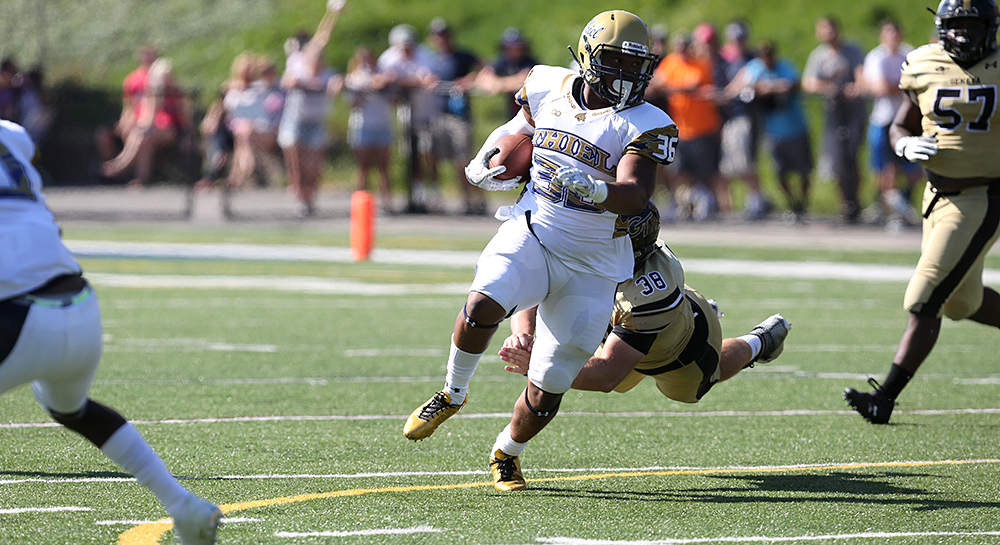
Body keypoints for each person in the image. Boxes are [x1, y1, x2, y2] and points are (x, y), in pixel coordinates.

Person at [402, 10, 677, 492]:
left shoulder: (646, 122)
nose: (627, 75)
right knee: (482, 301)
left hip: (595, 263)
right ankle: (453, 391)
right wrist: (483, 160)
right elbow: (519, 128)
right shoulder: (547, 85)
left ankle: (507, 451)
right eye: (616, 61)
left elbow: (636, 191)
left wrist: (596, 191)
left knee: (548, 384)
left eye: (636, 65)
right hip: (535, 229)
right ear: (589, 56)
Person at [0, 120, 221, 544]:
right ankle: (184, 506)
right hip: (80, 309)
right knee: (70, 408)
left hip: (21, 315)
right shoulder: (11, 132)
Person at [844, 0, 1000, 424]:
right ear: (942, 27)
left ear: (991, 27)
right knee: (961, 303)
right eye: (957, 24)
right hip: (935, 196)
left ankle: (885, 397)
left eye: (974, 24)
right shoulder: (923, 62)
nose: (966, 34)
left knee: (925, 294)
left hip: (982, 196)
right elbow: (902, 122)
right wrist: (903, 144)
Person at [498, 202, 792, 406]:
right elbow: (535, 290)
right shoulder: (583, 248)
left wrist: (538, 363)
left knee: (688, 391)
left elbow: (607, 375)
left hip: (680, 350)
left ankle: (758, 341)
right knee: (620, 379)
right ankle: (684, 314)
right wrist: (524, 335)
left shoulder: (646, 291)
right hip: (623, 330)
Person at [279, 0, 345, 217]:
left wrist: (333, 13)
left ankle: (310, 198)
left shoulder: (328, 73)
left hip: (316, 121)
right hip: (296, 119)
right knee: (296, 164)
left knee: (314, 165)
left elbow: (324, 36)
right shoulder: (296, 63)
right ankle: (301, 199)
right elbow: (288, 81)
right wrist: (308, 84)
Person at [737, 40, 813, 222]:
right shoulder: (755, 68)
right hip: (773, 131)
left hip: (796, 127)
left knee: (804, 170)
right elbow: (746, 86)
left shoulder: (785, 66)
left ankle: (802, 203)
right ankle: (791, 203)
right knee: (780, 172)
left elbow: (793, 83)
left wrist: (772, 87)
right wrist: (767, 88)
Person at [650, 31, 722, 221]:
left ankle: (708, 202)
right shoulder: (671, 63)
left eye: (685, 46)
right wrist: (669, 87)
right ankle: (683, 202)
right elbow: (656, 82)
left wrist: (669, 87)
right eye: (679, 46)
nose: (682, 50)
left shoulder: (700, 63)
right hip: (680, 128)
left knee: (705, 172)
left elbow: (692, 85)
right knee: (679, 171)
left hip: (702, 127)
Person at [802, 16, 868, 224]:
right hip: (833, 113)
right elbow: (809, 83)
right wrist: (831, 87)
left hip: (853, 112)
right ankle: (844, 203)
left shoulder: (852, 50)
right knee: (837, 159)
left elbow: (861, 76)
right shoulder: (819, 56)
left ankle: (856, 199)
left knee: (852, 156)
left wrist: (854, 88)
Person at [860, 19, 923, 230]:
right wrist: (904, 86)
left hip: (908, 117)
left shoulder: (910, 54)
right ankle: (893, 213)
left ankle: (903, 204)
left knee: (914, 168)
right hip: (886, 119)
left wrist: (899, 85)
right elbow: (880, 87)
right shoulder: (876, 57)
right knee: (887, 169)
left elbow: (919, 83)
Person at [427, 17, 488, 215]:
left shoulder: (462, 56)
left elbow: (487, 68)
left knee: (463, 159)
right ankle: (442, 198)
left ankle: (473, 200)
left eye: (444, 35)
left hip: (459, 115)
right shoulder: (433, 59)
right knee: (438, 159)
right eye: (438, 36)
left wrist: (469, 80)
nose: (442, 39)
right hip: (439, 115)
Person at [101, 57, 192, 188]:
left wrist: (188, 136)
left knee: (144, 135)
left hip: (172, 130)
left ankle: (121, 166)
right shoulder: (153, 94)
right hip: (154, 130)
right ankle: (138, 177)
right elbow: (147, 117)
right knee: (143, 137)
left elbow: (185, 119)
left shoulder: (176, 93)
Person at [378, 23, 438, 213]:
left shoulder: (425, 56)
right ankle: (415, 194)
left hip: (426, 112)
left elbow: (427, 80)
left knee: (427, 152)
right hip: (405, 113)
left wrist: (400, 80)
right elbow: (383, 81)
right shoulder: (388, 59)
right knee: (408, 155)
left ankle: (433, 193)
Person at [344, 46, 394, 211]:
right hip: (363, 126)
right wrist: (367, 86)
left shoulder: (383, 76)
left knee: (384, 167)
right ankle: (360, 204)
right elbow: (352, 104)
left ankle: (386, 203)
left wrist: (383, 84)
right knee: (363, 167)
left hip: (382, 124)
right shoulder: (354, 79)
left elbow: (394, 99)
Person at [96, 45, 159, 169]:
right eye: (145, 56)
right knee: (103, 134)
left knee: (138, 134)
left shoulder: (158, 78)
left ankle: (118, 168)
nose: (148, 60)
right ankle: (109, 166)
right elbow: (128, 106)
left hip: (148, 122)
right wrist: (124, 122)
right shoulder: (133, 79)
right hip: (134, 119)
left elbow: (154, 108)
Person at [475, 27, 540, 119]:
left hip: (531, 109)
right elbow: (483, 78)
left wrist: (499, 84)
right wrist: (509, 82)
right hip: (512, 109)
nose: (513, 50)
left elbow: (524, 81)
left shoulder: (530, 62)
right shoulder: (504, 61)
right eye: (510, 47)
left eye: (517, 47)